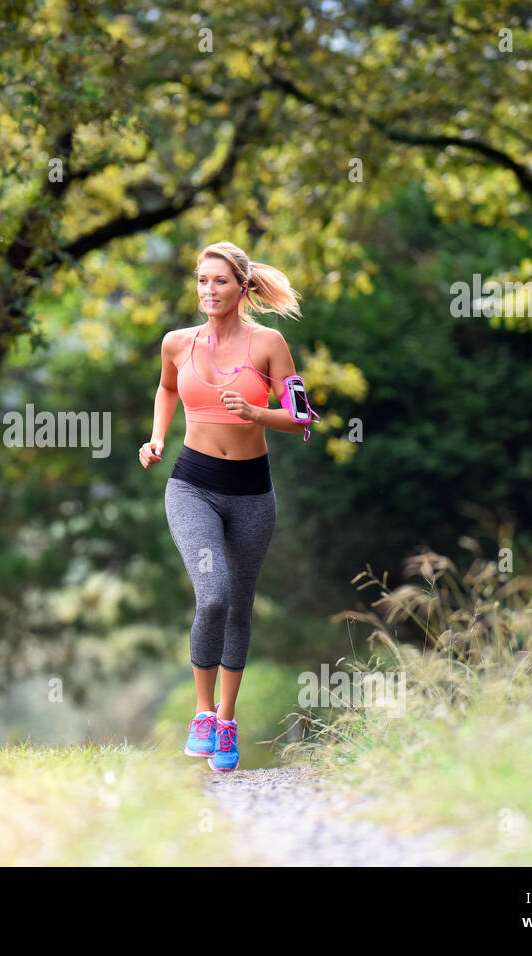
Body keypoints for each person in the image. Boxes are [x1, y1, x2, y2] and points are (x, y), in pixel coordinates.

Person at [139, 241, 306, 772]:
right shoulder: (176, 343)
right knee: (213, 596)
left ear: (242, 288)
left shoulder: (269, 344)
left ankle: (228, 721)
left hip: (253, 492)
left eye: (220, 282)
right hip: (192, 484)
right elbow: (167, 390)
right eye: (202, 281)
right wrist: (157, 437)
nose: (208, 291)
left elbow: (301, 417)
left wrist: (258, 412)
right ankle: (203, 712)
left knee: (239, 604)